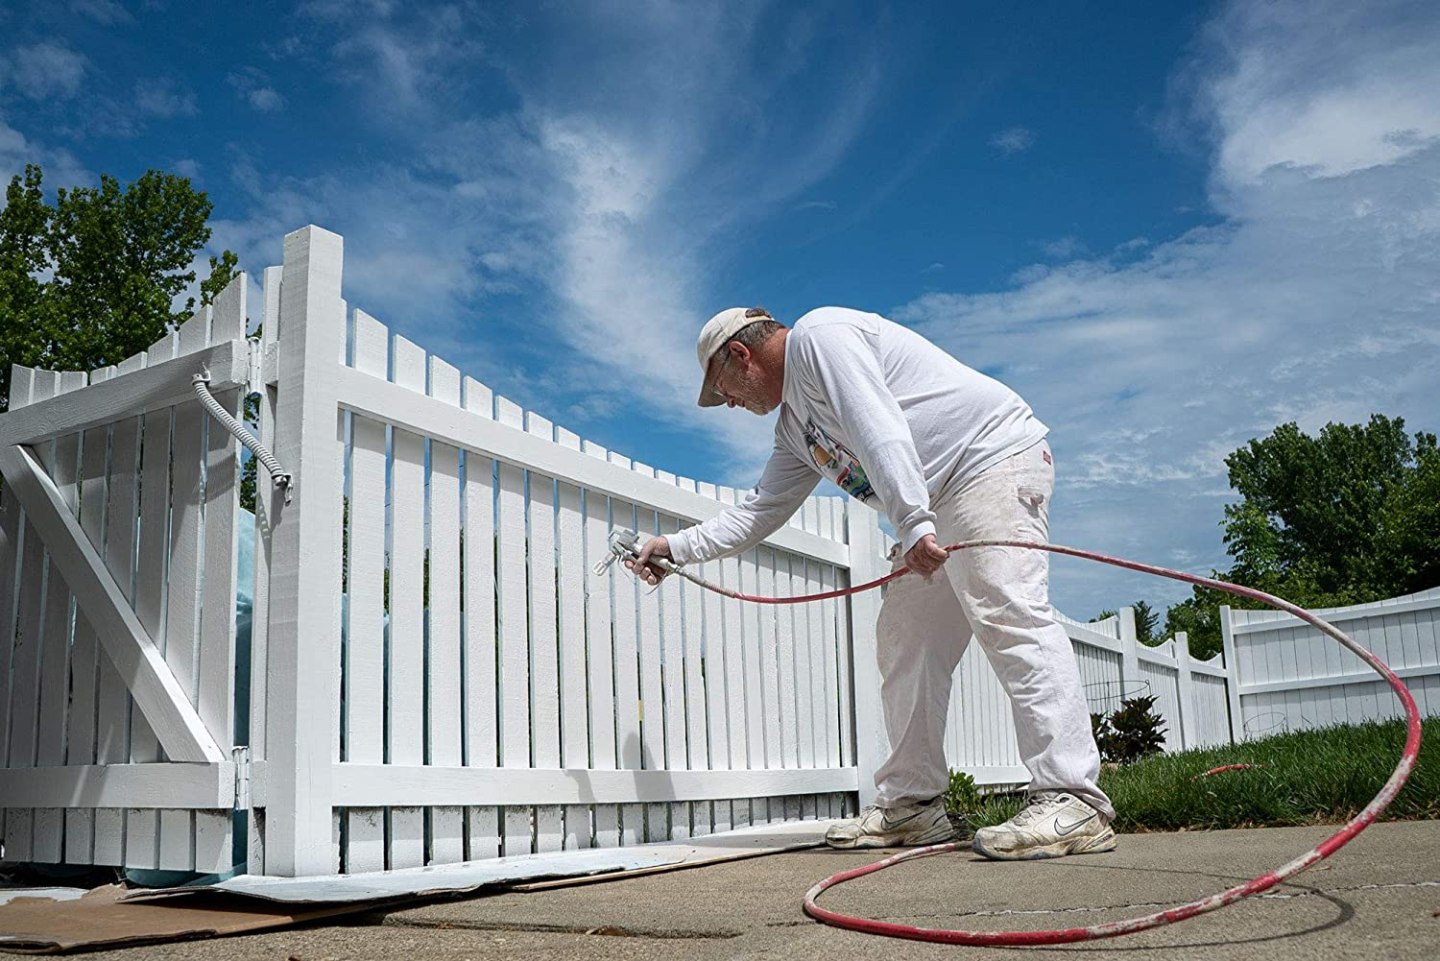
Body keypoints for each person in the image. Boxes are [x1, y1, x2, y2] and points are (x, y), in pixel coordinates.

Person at [627, 305, 1116, 861]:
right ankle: (914, 806)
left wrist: (911, 522)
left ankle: (1073, 799)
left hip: (988, 461)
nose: (732, 405)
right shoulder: (796, 429)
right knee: (905, 640)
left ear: (741, 355)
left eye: (725, 391)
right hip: (932, 501)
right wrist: (676, 548)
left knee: (1010, 613)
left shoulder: (821, 337)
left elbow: (876, 424)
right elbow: (759, 511)